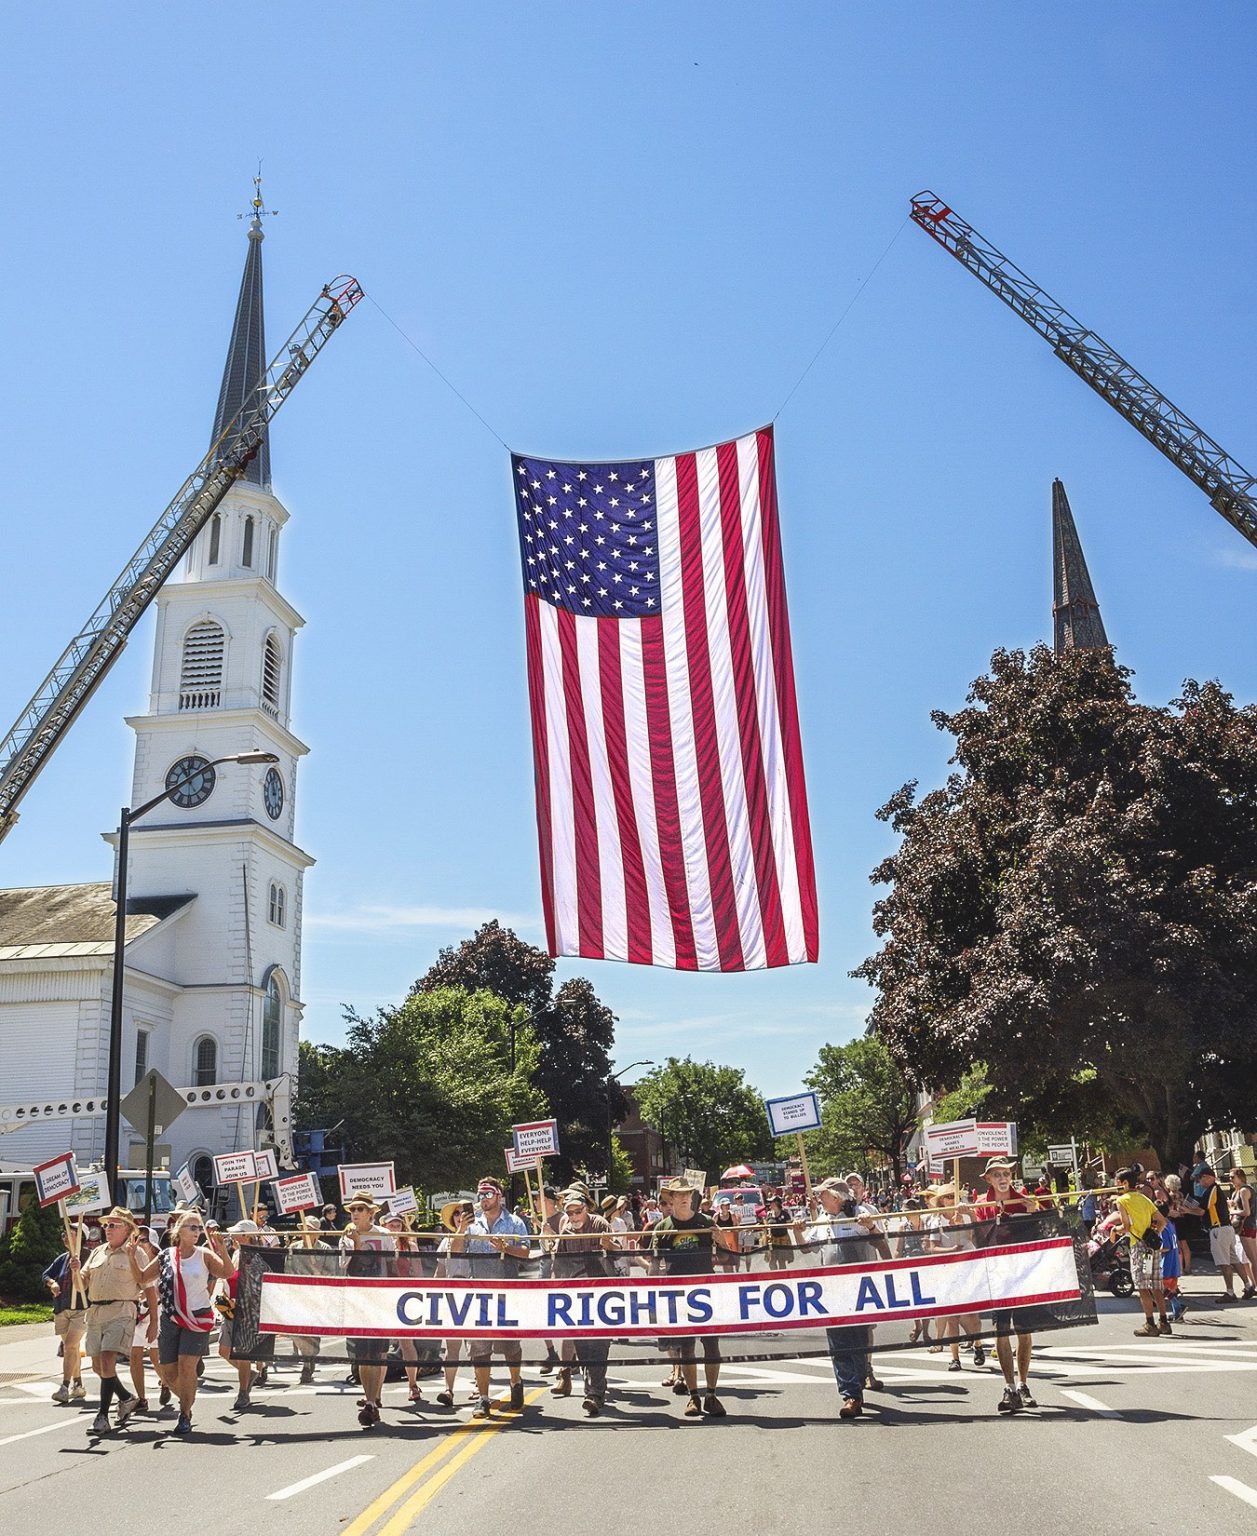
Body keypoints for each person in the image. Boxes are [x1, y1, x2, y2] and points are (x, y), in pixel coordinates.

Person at [138, 1209, 231, 1435]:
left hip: (197, 1318)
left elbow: (227, 1272)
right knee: (168, 1374)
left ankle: (185, 1413)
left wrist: (223, 1251)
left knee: (186, 1366)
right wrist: (133, 1255)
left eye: (199, 1228)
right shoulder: (166, 1255)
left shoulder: (204, 1255)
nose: (197, 1232)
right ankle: (189, 1394)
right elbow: (143, 1278)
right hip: (170, 1318)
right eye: (192, 1227)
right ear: (178, 1230)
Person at [447, 1178, 529, 1419]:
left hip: (507, 1292)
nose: (483, 1198)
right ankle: (483, 1397)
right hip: (479, 1293)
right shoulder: (472, 1225)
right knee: (479, 1348)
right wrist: (461, 1229)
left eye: (488, 1193)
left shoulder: (515, 1223)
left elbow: (525, 1252)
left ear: (499, 1196)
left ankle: (515, 1382)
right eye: (480, 1194)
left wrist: (506, 1248)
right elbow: (455, 1252)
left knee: (511, 1346)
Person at [805, 1178, 882, 1419]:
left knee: (858, 1338)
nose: (820, 1199)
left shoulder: (860, 1215)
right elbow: (807, 1248)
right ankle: (850, 1394)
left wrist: (870, 1227)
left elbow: (880, 1243)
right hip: (831, 1289)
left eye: (823, 1195)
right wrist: (798, 1232)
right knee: (838, 1343)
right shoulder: (822, 1221)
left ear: (836, 1197)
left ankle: (857, 1382)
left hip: (858, 1287)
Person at [70, 1206, 149, 1436]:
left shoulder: (136, 1252)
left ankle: (102, 1417)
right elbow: (80, 1285)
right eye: (106, 1225)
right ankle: (126, 1398)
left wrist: (153, 1319)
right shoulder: (98, 1252)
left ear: (127, 1229)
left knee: (106, 1362)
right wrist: (76, 1271)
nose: (107, 1229)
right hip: (95, 1313)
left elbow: (147, 1285)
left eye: (113, 1224)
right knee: (98, 1367)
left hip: (121, 1310)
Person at [650, 1178, 725, 1418]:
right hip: (677, 1293)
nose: (684, 1198)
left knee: (712, 1345)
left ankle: (711, 1394)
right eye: (678, 1194)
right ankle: (694, 1396)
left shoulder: (706, 1222)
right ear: (670, 1199)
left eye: (688, 1193)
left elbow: (727, 1257)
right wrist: (653, 1293)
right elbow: (653, 1264)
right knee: (686, 1347)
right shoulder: (662, 1227)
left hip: (705, 1291)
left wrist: (722, 1239)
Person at [973, 1160, 1040, 1414]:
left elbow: (1040, 1235)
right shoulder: (981, 1205)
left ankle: (1023, 1383)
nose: (1003, 1178)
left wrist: (1035, 1212)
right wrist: (968, 1217)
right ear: (988, 1179)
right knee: (1000, 1329)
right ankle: (1009, 1387)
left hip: (1022, 1275)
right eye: (997, 1174)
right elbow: (979, 1240)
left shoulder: (1024, 1201)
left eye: (1007, 1173)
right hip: (997, 1275)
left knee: (1024, 1330)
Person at [553, 1190, 616, 1415]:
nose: (574, 1217)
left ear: (586, 1210)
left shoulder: (599, 1224)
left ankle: (594, 1393)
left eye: (577, 1212)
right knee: (582, 1346)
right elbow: (557, 1264)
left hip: (602, 1293)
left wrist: (608, 1246)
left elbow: (618, 1252)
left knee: (599, 1344)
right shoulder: (566, 1231)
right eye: (569, 1213)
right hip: (576, 1295)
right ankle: (593, 1389)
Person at [339, 1191, 398, 1427]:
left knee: (378, 1352)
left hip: (380, 1297)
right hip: (358, 1298)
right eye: (352, 1210)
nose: (355, 1213)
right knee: (363, 1354)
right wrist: (355, 1243)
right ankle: (370, 1400)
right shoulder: (345, 1236)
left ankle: (374, 1399)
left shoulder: (384, 1235)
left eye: (360, 1209)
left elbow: (391, 1265)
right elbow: (344, 1266)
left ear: (371, 1213)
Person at [1112, 1167, 1170, 1337]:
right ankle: (1164, 1322)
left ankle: (1150, 1323)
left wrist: (1114, 1230)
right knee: (1156, 1285)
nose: (1116, 1186)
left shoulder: (1122, 1201)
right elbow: (1162, 1221)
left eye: (1117, 1183)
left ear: (1124, 1183)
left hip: (1138, 1246)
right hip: (1151, 1246)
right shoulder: (1144, 1198)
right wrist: (1153, 1233)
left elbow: (1126, 1226)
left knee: (1143, 1286)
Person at [1186, 1166, 1255, 1302]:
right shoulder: (1210, 1190)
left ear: (1208, 1177)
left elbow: (1202, 1210)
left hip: (1219, 1229)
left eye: (1200, 1178)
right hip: (1226, 1229)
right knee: (1234, 1260)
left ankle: (1230, 1293)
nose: (1199, 1182)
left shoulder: (1213, 1189)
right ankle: (1248, 1286)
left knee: (1224, 1262)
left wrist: (1187, 1210)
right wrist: (1187, 1210)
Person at [434, 1201, 475, 1407]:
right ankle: (448, 1389)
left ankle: (479, 1386)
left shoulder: (478, 1239)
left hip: (475, 1294)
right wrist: (433, 1293)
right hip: (452, 1294)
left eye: (464, 1213)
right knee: (452, 1346)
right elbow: (440, 1271)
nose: (460, 1216)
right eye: (457, 1214)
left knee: (477, 1344)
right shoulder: (447, 1241)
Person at [218, 1220, 259, 1409]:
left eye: (237, 1233)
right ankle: (248, 1374)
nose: (232, 1236)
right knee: (224, 1351)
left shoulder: (255, 1257)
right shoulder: (236, 1254)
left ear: (247, 1236)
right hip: (229, 1306)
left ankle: (243, 1392)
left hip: (246, 1308)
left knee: (242, 1353)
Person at [44, 1237, 89, 1404]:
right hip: (62, 1308)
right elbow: (46, 1274)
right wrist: (52, 1283)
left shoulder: (89, 1256)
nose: (65, 1238)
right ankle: (78, 1384)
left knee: (70, 1346)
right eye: (64, 1235)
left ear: (80, 1237)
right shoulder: (62, 1258)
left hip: (81, 1308)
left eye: (71, 1234)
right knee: (73, 1348)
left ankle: (64, 1387)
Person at [128, 1231, 162, 1410]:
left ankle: (165, 1382)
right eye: (136, 1239)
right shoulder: (132, 1259)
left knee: (156, 1357)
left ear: (152, 1243)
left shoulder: (161, 1261)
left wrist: (151, 1294)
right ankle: (141, 1398)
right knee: (135, 1355)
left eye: (143, 1240)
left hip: (156, 1312)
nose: (139, 1243)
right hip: (137, 1314)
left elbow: (163, 1289)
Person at [1229, 1168, 1257, 1287]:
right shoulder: (1240, 1190)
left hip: (1246, 1226)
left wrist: (1232, 1210)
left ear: (1240, 1177)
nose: (1230, 1180)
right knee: (1251, 1258)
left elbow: (1246, 1212)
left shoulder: (1244, 1190)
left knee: (1252, 1258)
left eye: (1232, 1177)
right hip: (1250, 1225)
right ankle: (1254, 1284)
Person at [765, 1195, 801, 1270]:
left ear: (777, 1203)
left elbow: (790, 1227)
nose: (770, 1204)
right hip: (773, 1240)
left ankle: (783, 1276)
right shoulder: (769, 1214)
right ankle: (774, 1276)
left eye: (772, 1202)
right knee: (772, 1261)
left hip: (783, 1239)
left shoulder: (785, 1214)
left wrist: (794, 1223)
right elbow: (766, 1226)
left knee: (781, 1261)